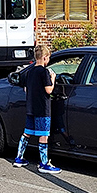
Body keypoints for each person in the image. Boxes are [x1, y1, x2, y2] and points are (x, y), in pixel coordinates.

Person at [12, 44, 62, 174]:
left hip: (31, 107)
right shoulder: (44, 72)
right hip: (42, 108)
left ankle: (19, 157)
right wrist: (53, 79)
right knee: (43, 135)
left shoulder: (29, 72)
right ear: (45, 58)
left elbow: (26, 89)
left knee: (27, 132)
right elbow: (49, 90)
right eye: (49, 58)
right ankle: (44, 163)